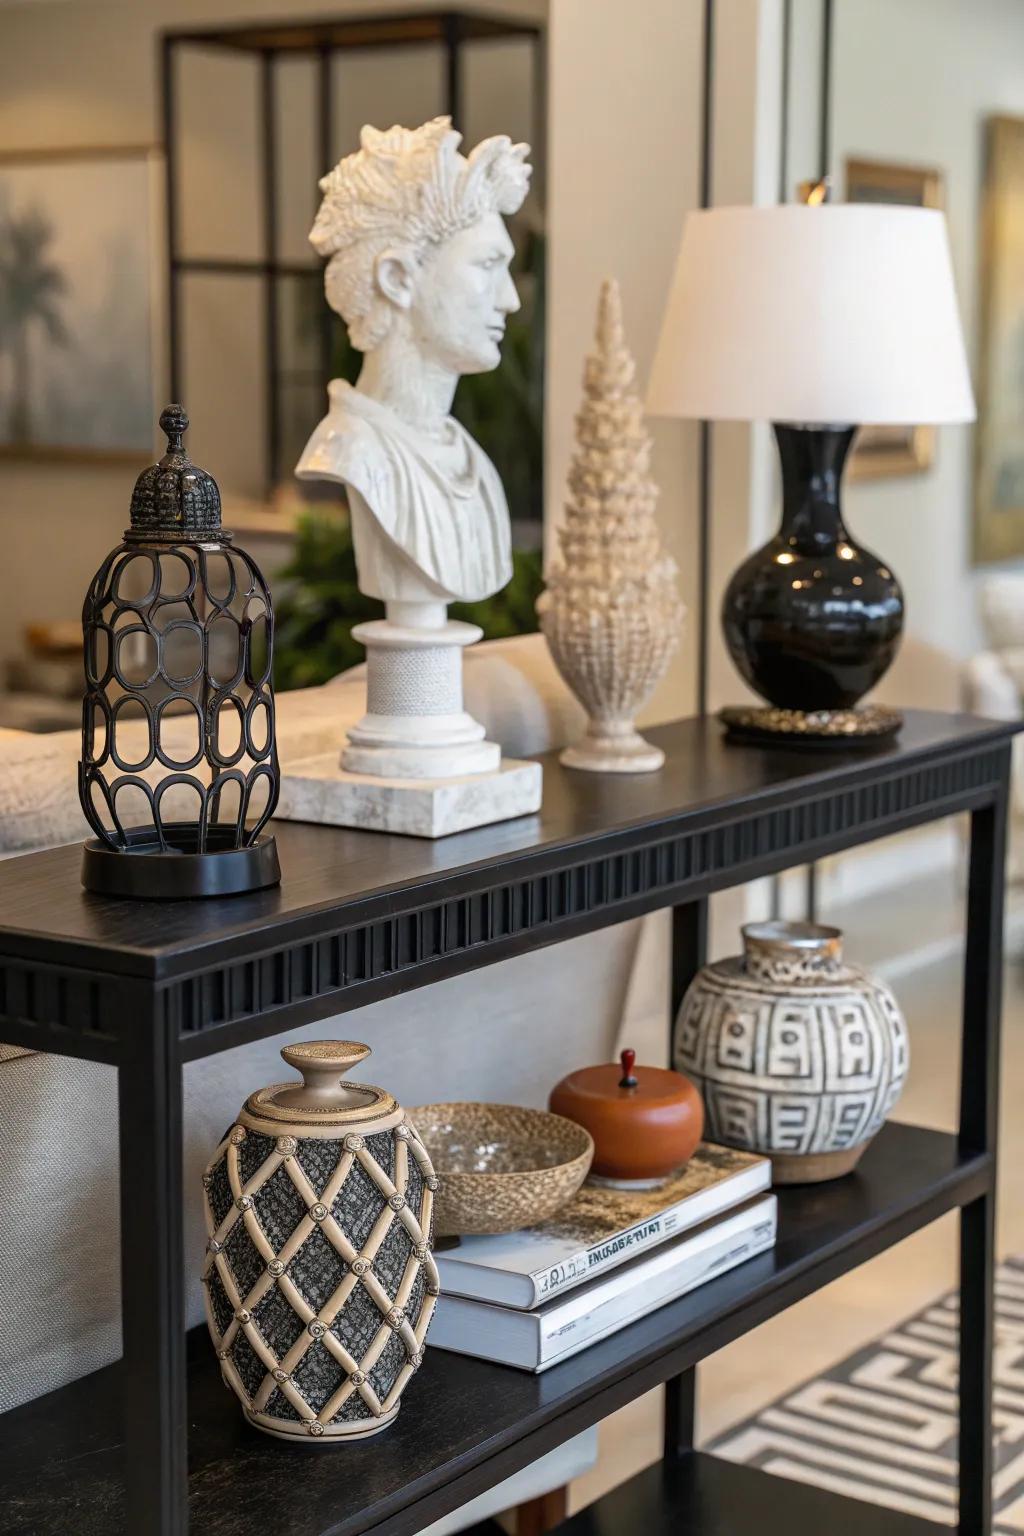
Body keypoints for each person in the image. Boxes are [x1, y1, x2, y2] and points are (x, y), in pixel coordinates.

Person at [297, 117, 531, 624]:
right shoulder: (352, 451)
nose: (510, 299)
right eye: (488, 265)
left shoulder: (470, 464)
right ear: (399, 277)